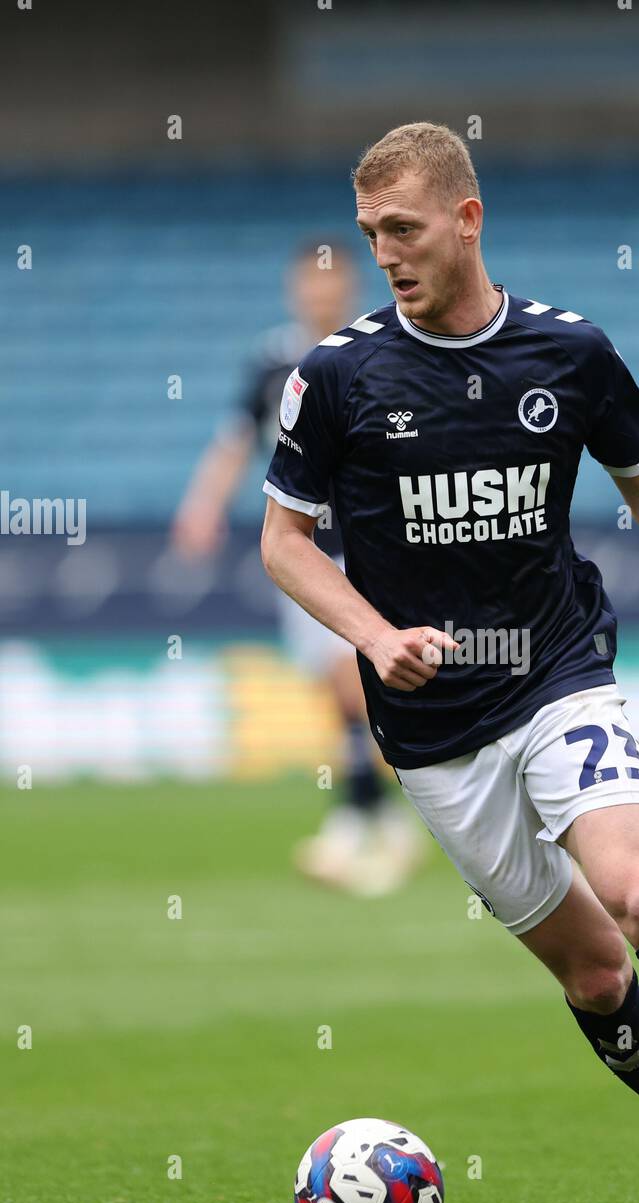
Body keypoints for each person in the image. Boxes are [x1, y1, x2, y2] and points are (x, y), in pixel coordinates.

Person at [260, 123, 639, 1203]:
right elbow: (284, 542)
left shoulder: (568, 354)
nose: (387, 254)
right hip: (433, 736)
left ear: (467, 221)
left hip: (559, 677)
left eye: (406, 230)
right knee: (593, 973)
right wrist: (376, 636)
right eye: (374, 234)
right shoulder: (336, 377)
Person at [171, 241, 423, 894]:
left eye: (330, 281)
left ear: (348, 286)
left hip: (369, 546)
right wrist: (203, 506)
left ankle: (351, 821)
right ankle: (390, 820)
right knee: (337, 694)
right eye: (309, 283)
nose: (319, 293)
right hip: (299, 547)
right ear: (294, 289)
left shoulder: (380, 349)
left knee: (350, 682)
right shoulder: (272, 361)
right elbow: (234, 441)